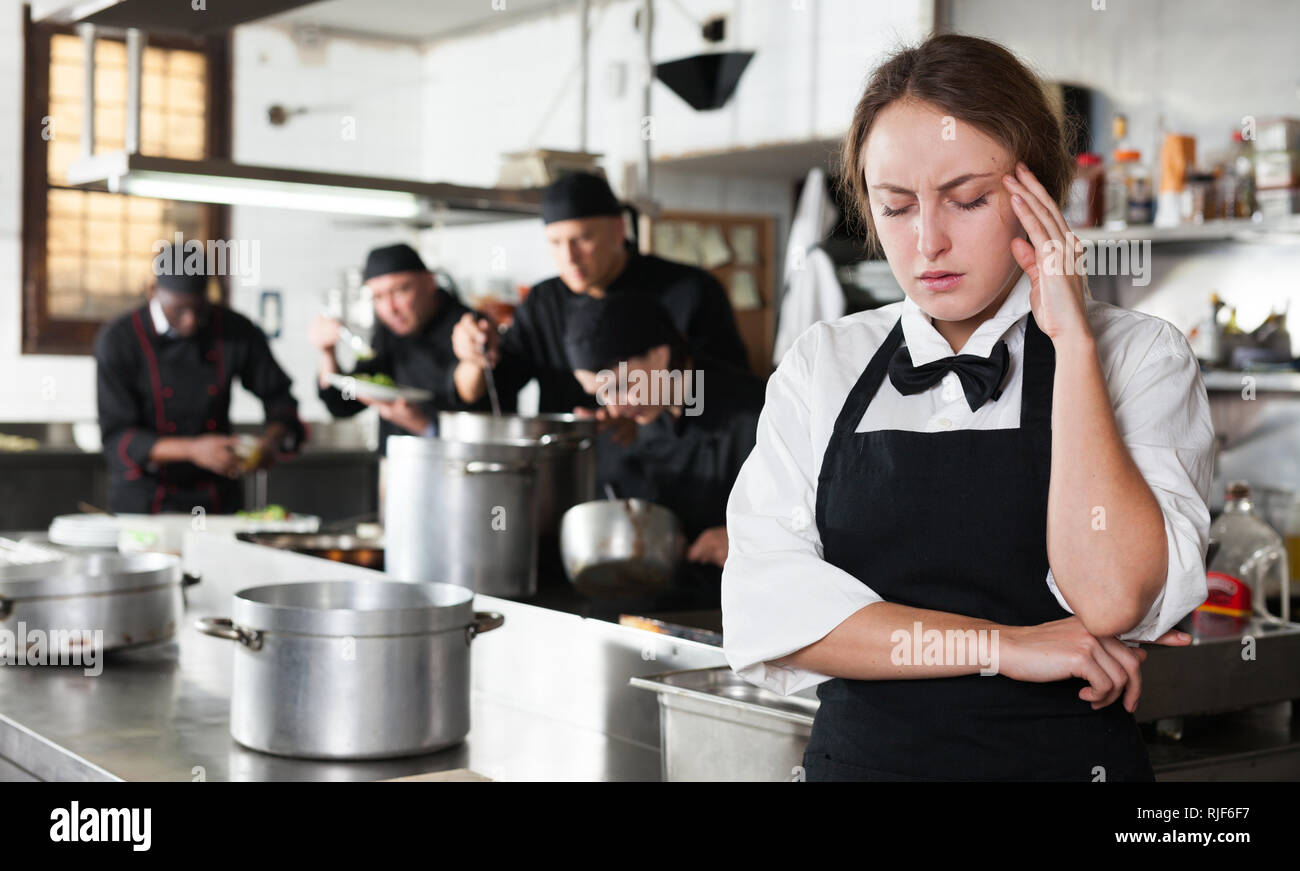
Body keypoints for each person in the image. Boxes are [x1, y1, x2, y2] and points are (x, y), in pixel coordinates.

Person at [721, 34, 1214, 782]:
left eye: (969, 199)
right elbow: (771, 615)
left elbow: (1111, 595)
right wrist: (1004, 643)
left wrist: (1072, 344)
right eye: (894, 206)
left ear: (1039, 193)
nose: (928, 242)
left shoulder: (1138, 358)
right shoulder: (824, 364)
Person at [450, 172, 749, 416]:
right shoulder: (544, 302)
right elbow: (486, 394)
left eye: (582, 239)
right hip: (571, 469)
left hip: (673, 467)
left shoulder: (690, 291)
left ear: (618, 231)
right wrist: (473, 357)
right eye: (555, 243)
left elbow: (725, 390)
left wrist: (641, 412)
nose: (569, 257)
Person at [565, 293, 764, 611]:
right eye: (601, 394)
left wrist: (750, 540)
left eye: (622, 386)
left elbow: (812, 522)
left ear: (659, 356)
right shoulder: (627, 422)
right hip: (646, 605)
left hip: (734, 612)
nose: (614, 406)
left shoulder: (755, 413)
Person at [96, 251, 305, 514]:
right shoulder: (119, 339)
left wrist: (270, 442)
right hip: (144, 500)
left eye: (199, 308)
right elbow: (118, 437)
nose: (191, 321)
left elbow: (280, 398)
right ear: (153, 290)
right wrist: (193, 450)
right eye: (179, 309)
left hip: (217, 499)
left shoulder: (235, 329)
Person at [311, 243, 489, 446]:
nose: (389, 309)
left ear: (430, 282)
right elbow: (344, 404)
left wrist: (425, 426)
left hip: (457, 466)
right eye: (378, 297)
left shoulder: (470, 329)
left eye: (400, 291)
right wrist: (327, 353)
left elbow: (489, 419)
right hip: (396, 464)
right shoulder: (388, 332)